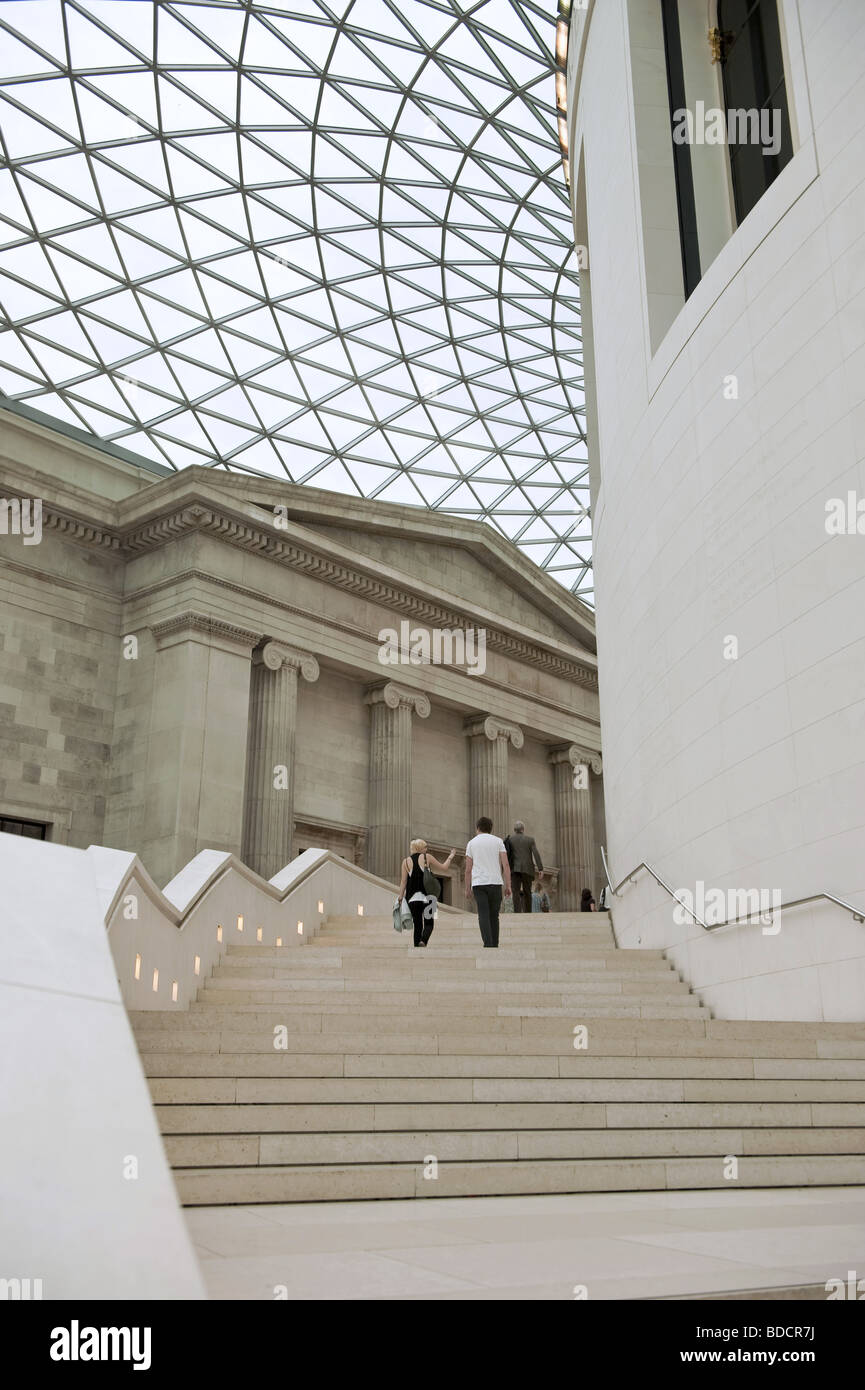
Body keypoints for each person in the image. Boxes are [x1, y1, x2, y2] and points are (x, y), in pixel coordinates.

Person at [398, 839, 455, 947]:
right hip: (430, 897)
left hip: (412, 899)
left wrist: (401, 896)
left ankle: (417, 948)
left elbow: (403, 881)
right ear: (421, 848)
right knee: (429, 924)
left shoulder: (405, 861)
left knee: (418, 925)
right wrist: (451, 856)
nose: (426, 849)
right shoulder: (427, 857)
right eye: (425, 847)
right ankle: (423, 941)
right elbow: (444, 867)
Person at [464, 816, 511, 947]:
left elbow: (468, 869)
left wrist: (467, 888)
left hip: (479, 884)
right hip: (495, 882)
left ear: (477, 827)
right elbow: (506, 865)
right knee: (494, 916)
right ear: (491, 828)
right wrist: (509, 885)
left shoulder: (471, 843)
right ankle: (495, 944)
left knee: (483, 914)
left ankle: (488, 944)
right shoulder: (498, 841)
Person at [504, 820, 544, 912]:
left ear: (514, 830)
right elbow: (536, 854)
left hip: (515, 869)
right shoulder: (530, 840)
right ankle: (528, 912)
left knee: (516, 892)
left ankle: (517, 912)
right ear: (523, 829)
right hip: (528, 869)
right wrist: (540, 868)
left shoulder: (510, 840)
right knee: (527, 892)